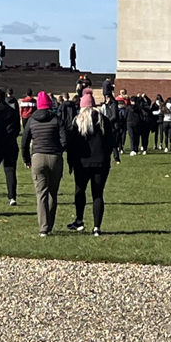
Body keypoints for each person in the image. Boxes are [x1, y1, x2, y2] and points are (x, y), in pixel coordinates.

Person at [66, 89, 115, 236]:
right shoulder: (103, 121)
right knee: (98, 194)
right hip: (101, 163)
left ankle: (79, 220)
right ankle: (97, 227)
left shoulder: (77, 121)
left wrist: (70, 162)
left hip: (82, 163)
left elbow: (71, 144)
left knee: (80, 191)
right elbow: (111, 142)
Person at [21, 90, 67, 237]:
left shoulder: (31, 120)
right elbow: (65, 140)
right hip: (54, 157)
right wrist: (58, 150)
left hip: (37, 157)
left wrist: (26, 159)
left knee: (41, 194)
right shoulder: (57, 119)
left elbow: (24, 142)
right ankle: (50, 224)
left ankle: (43, 228)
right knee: (53, 193)